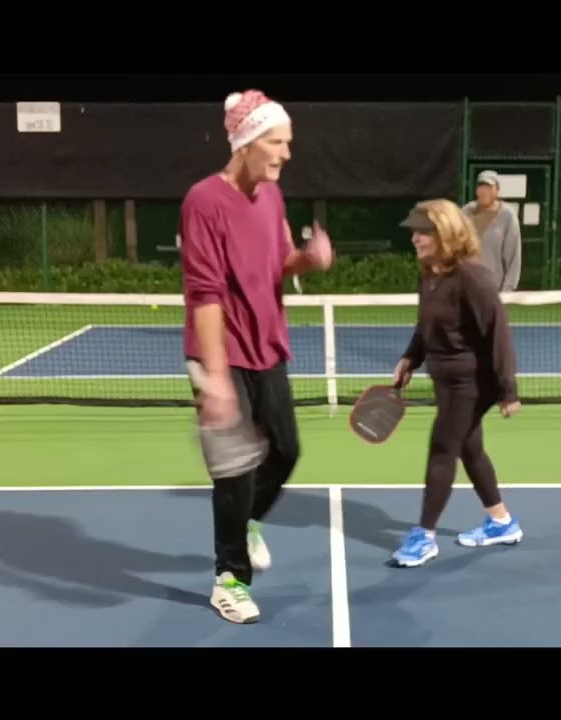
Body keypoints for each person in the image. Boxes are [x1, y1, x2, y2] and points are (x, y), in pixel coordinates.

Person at [179, 89, 334, 624]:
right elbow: (204, 292)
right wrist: (217, 379)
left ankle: (247, 524)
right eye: (277, 141)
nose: (287, 152)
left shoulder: (272, 196)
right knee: (235, 471)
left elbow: (277, 261)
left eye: (287, 142)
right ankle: (229, 579)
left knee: (286, 451)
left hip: (268, 345)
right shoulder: (202, 201)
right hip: (219, 351)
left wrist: (307, 261)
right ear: (246, 142)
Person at [389, 198, 522, 568]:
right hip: (444, 379)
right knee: (469, 448)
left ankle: (425, 537)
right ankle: (501, 521)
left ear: (445, 233)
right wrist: (411, 357)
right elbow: (427, 325)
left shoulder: (472, 278)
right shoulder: (430, 274)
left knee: (442, 449)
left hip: (470, 382)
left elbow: (498, 334)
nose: (415, 238)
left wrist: (508, 390)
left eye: (423, 232)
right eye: (414, 232)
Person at [463, 170, 522, 292]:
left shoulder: (507, 216)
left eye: (489, 187)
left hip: (493, 289)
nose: (484, 191)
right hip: (466, 287)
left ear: (497, 190)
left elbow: (514, 257)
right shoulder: (465, 212)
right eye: (481, 186)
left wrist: (507, 289)